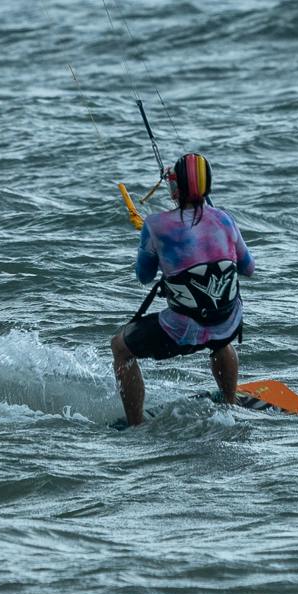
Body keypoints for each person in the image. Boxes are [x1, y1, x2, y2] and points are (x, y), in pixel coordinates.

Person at [110, 152, 255, 428]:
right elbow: (248, 268)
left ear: (175, 189)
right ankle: (229, 401)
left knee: (120, 348)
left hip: (182, 330)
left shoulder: (155, 226)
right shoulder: (226, 220)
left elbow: (144, 276)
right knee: (219, 338)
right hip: (226, 322)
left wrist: (152, 246)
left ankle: (136, 425)